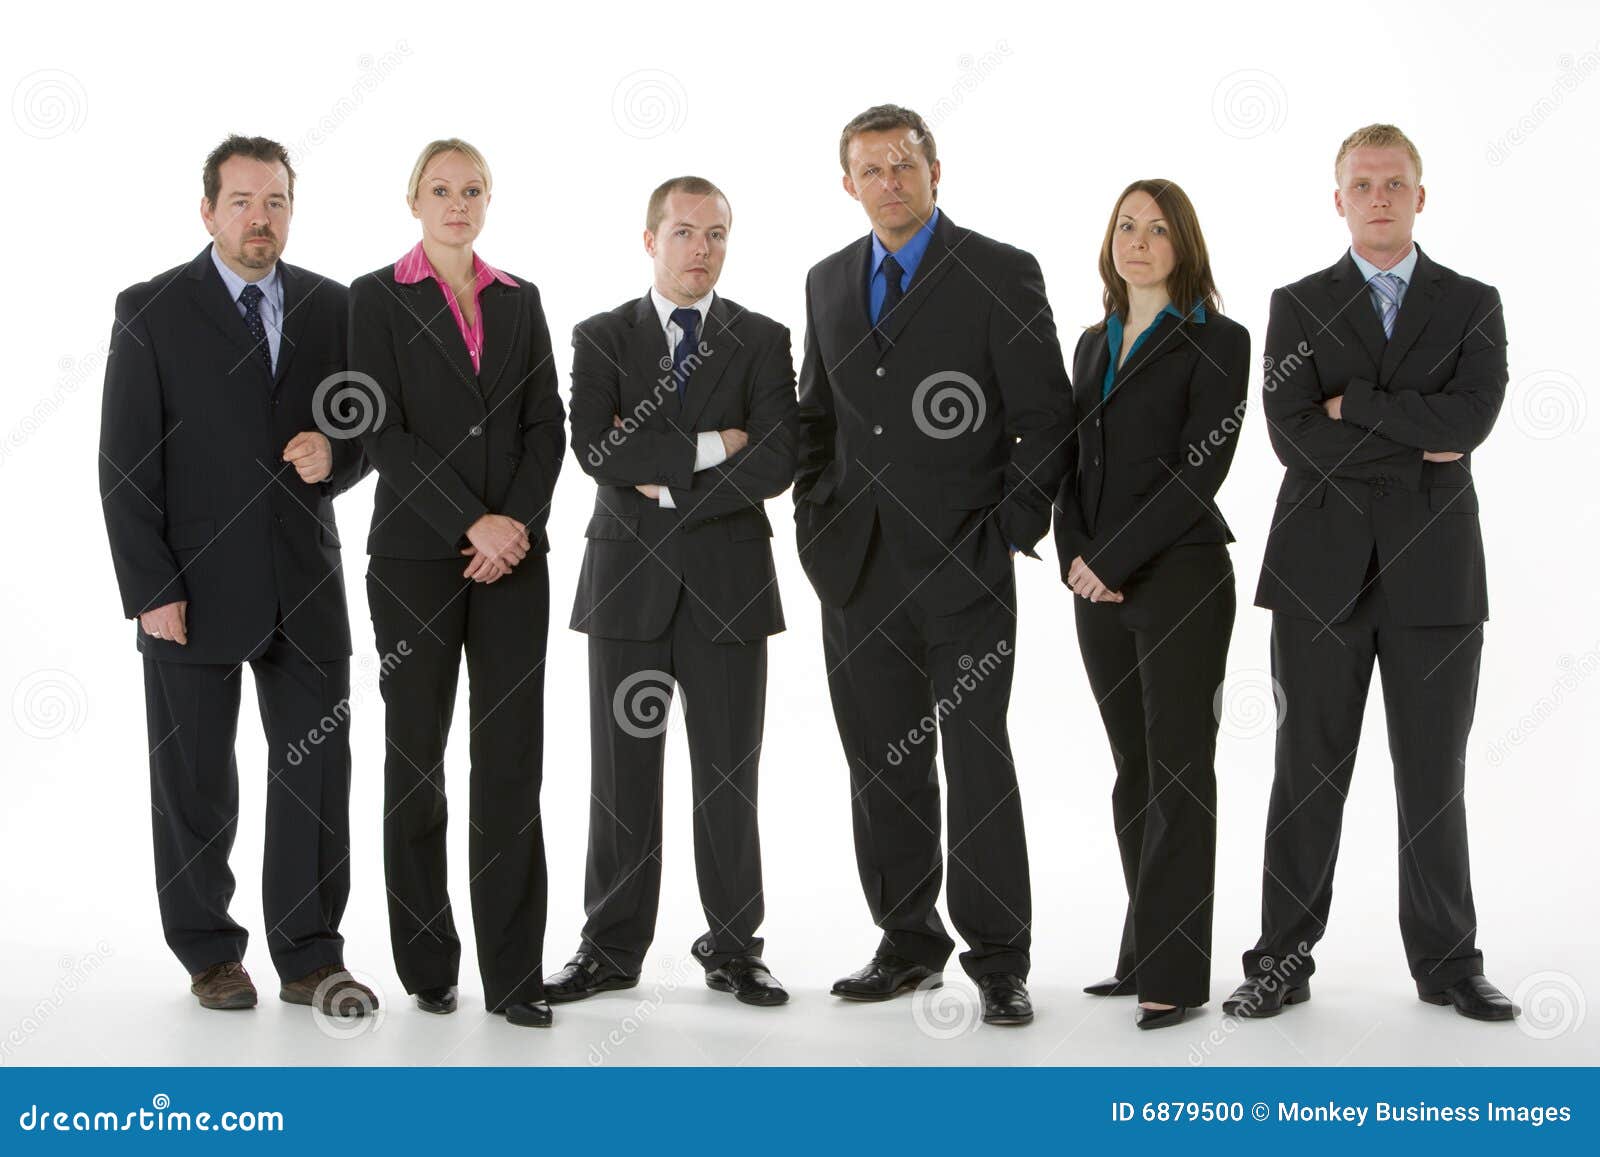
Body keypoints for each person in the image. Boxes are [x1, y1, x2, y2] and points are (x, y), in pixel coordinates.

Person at [1225, 124, 1517, 1022]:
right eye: (1363, 183)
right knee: (1306, 770)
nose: (1379, 196)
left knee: (1434, 775)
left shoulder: (1472, 302)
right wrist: (1410, 439)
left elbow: (1468, 423)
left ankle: (1449, 963)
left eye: (1395, 182)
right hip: (1321, 575)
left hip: (1436, 580)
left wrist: (1359, 407)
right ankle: (1280, 959)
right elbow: (1290, 435)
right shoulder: (1298, 302)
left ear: (1420, 197)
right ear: (1338, 198)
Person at [795, 105, 1074, 1026]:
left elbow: (1046, 417)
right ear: (848, 184)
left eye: (904, 164)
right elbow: (817, 418)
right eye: (870, 169)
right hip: (858, 567)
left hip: (966, 565)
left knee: (977, 756)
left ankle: (999, 956)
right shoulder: (829, 279)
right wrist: (814, 517)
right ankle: (908, 942)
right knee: (881, 763)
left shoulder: (998, 271)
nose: (889, 182)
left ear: (935, 169)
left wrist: (1007, 531)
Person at [98, 135, 375, 1015]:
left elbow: (367, 425)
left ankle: (309, 956)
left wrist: (337, 452)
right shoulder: (151, 309)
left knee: (316, 774)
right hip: (191, 587)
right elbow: (123, 463)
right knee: (194, 781)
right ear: (209, 211)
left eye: (277, 202)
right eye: (244, 202)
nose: (262, 219)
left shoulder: (335, 307)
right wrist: (151, 588)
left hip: (304, 583)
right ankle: (211, 953)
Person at [548, 176, 797, 1008]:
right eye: (685, 232)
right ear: (649, 238)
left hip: (730, 589)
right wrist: (710, 445)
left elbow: (775, 460)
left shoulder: (761, 339)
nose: (702, 250)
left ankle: (734, 946)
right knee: (622, 775)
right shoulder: (603, 336)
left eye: (716, 234)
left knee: (730, 775)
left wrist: (673, 478)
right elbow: (597, 448)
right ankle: (610, 946)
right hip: (627, 587)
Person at [350, 138, 565, 1028]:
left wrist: (513, 524)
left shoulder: (521, 299)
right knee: (417, 758)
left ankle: (515, 974)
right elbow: (377, 426)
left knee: (512, 762)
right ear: (413, 199)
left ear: (488, 201)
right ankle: (429, 961)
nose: (457, 202)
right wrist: (466, 520)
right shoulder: (375, 297)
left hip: (514, 562)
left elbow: (546, 424)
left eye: (472, 189)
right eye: (440, 189)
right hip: (416, 559)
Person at [1053, 180, 1250, 1030]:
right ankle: (1142, 948)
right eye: (1126, 226)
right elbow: (1072, 458)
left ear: (1184, 245)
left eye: (1158, 229)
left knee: (1178, 770)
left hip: (1181, 575)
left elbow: (1199, 471)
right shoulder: (1093, 341)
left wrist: (1112, 558)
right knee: (1132, 768)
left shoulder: (1222, 341)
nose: (1138, 240)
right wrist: (1072, 555)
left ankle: (1176, 970)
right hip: (1093, 583)